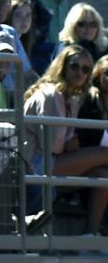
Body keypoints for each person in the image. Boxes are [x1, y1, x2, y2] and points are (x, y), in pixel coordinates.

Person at [23, 46, 108, 234]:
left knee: (103, 175)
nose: (80, 72)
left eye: (86, 69)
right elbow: (52, 146)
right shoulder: (51, 94)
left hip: (49, 166)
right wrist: (69, 144)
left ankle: (90, 235)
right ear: (62, 66)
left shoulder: (71, 98)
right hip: (34, 165)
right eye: (74, 66)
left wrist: (70, 144)